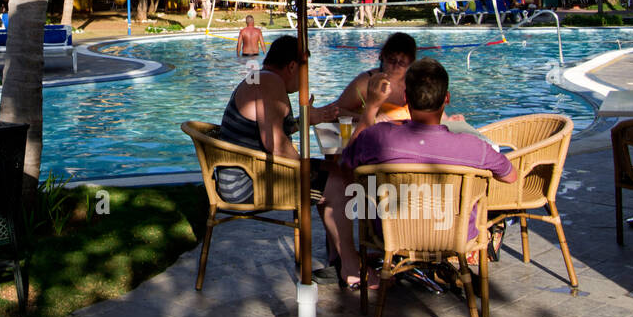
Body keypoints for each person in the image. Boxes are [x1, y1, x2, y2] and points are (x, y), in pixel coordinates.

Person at [320, 58, 518, 288]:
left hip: (391, 234)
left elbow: (346, 163)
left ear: (406, 98)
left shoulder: (378, 138)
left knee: (335, 181)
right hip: (455, 235)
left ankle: (349, 261)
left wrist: (371, 108)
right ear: (447, 99)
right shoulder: (474, 147)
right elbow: (511, 177)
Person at [216, 36, 303, 202]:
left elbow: (271, 129)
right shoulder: (270, 82)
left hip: (236, 181)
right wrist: (307, 171)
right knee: (335, 181)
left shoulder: (260, 78)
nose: (305, 78)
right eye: (304, 70)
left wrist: (305, 120)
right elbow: (276, 145)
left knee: (331, 175)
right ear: (292, 66)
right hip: (245, 187)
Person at [313, 32, 417, 124]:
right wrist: (369, 118)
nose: (395, 66)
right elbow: (336, 112)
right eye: (391, 60)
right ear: (382, 57)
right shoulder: (365, 82)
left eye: (402, 63)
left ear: (410, 63)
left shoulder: (415, 83)